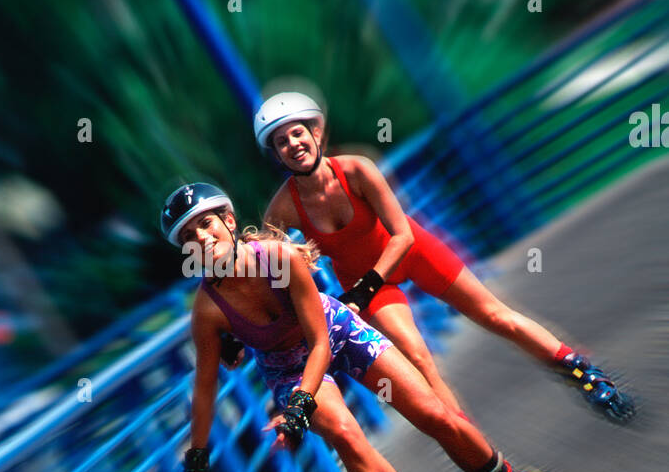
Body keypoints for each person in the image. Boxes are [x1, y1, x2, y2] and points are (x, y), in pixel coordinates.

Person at [160, 181, 573, 472]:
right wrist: (197, 464)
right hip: (287, 366)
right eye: (188, 237)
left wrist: (300, 405)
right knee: (343, 431)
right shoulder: (208, 312)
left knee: (432, 412)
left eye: (206, 224)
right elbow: (204, 390)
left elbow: (321, 340)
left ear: (229, 221)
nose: (202, 238)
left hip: (333, 332)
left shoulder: (279, 259)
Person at [253, 92, 635, 421]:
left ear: (316, 133)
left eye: (298, 133)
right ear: (276, 155)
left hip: (405, 253)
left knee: (494, 315)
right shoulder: (283, 209)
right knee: (417, 357)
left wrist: (363, 291)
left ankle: (584, 372)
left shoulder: (356, 170)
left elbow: (401, 235)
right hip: (362, 281)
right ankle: (474, 450)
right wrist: (246, 326)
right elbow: (269, 274)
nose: (293, 144)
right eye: (282, 142)